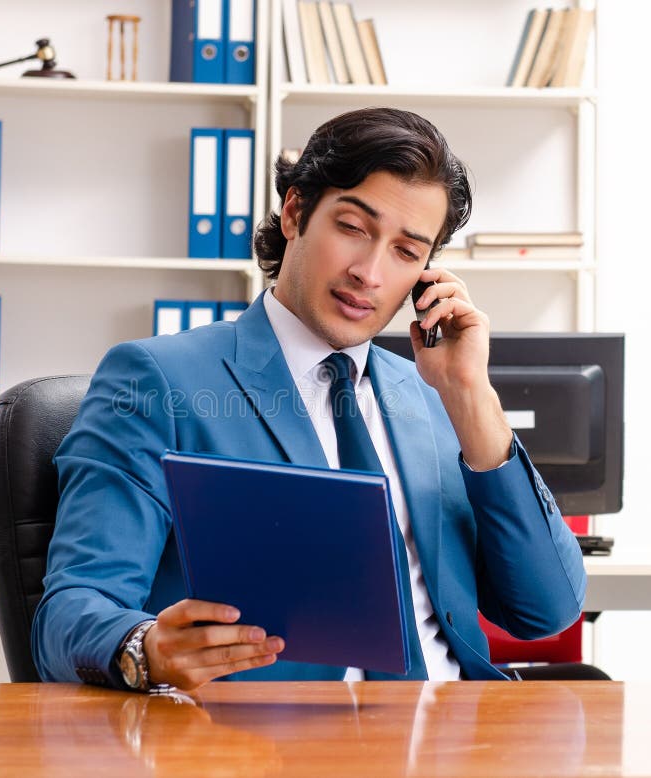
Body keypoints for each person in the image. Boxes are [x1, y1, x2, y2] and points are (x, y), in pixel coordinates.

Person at [31, 107, 586, 690]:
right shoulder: (157, 380)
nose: (370, 272)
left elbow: (544, 611)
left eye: (405, 252)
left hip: (454, 734)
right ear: (295, 212)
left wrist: (471, 397)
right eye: (353, 227)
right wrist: (144, 648)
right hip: (274, 745)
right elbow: (69, 611)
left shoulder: (431, 395)